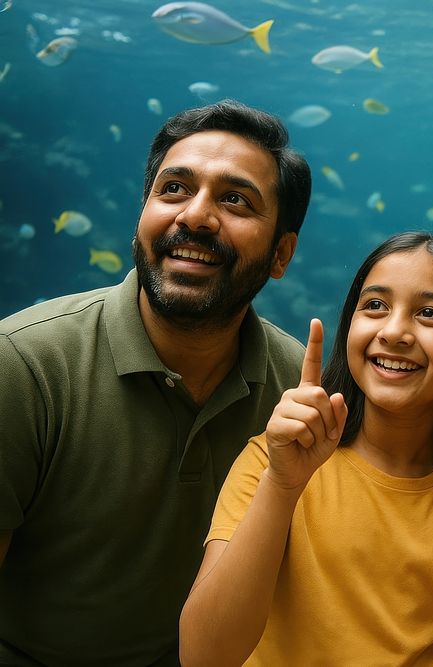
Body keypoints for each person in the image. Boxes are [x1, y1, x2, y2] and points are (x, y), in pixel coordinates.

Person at [0, 99, 311, 666]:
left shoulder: (296, 391)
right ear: (140, 214)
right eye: (173, 189)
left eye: (235, 199)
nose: (194, 216)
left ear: (281, 254)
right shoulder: (23, 367)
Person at [179, 231, 433, 666]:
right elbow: (202, 657)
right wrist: (283, 486)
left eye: (430, 313)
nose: (394, 331)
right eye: (375, 305)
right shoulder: (272, 459)